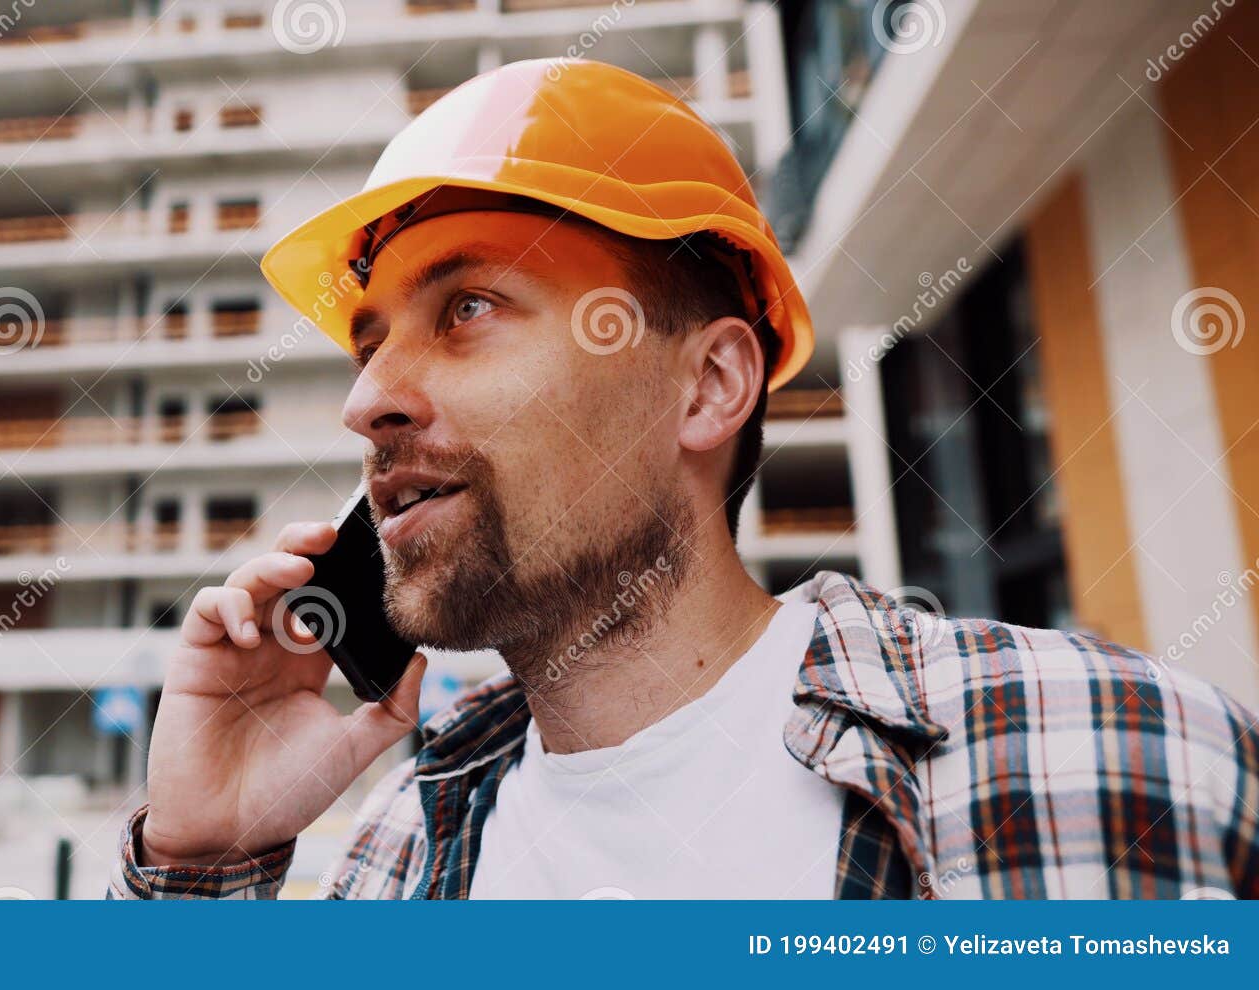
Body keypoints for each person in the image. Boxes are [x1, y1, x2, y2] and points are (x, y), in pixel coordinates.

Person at [109, 59, 1259, 900]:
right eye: (369, 344)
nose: (365, 402)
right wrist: (197, 864)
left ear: (707, 387)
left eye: (468, 309)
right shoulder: (397, 853)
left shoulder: (1113, 754)